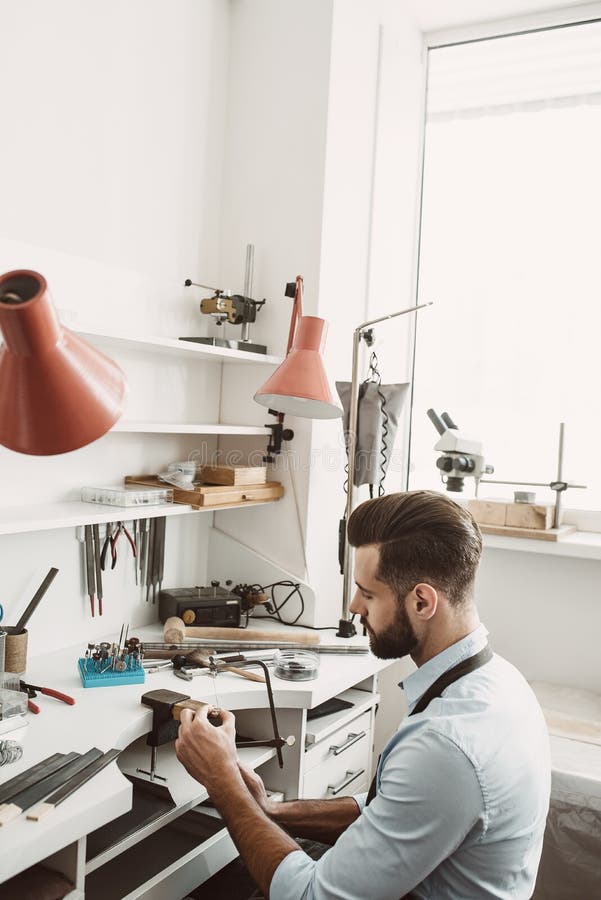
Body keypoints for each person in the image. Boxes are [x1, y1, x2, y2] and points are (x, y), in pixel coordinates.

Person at [175, 490, 551, 899]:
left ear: (422, 601)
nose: (355, 606)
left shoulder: (445, 747)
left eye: (368, 594)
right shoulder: (500, 681)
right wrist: (272, 810)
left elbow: (310, 896)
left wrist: (222, 780)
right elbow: (395, 809)